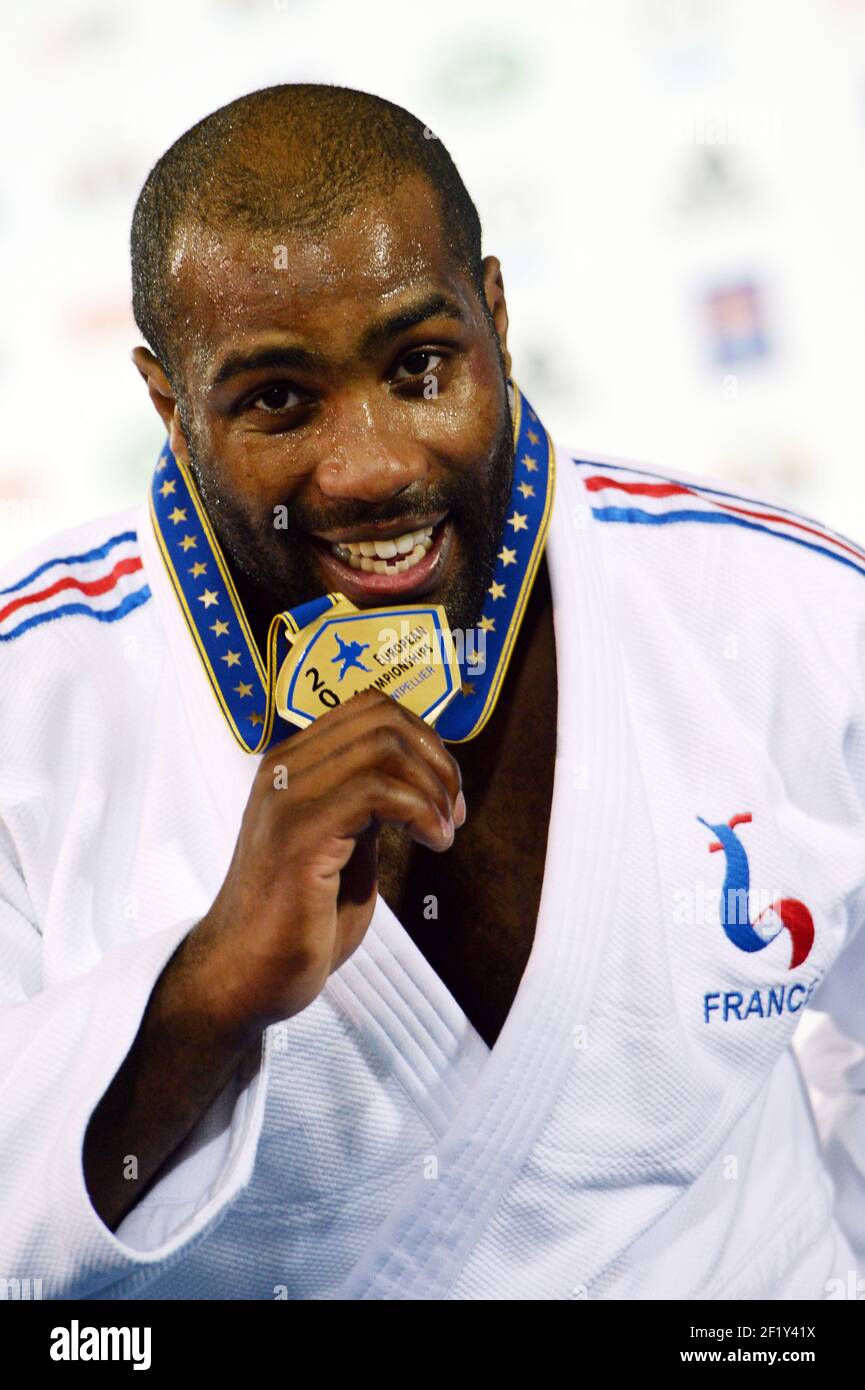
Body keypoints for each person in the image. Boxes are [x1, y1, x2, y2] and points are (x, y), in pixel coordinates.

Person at [1, 82, 863, 1302]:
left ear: (495, 319)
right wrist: (200, 999)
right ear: (169, 405)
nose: (370, 468)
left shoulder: (789, 612)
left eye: (419, 366)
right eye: (277, 399)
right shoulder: (28, 708)